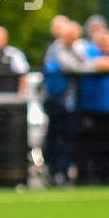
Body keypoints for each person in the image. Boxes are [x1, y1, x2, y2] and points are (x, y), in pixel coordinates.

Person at [76, 31, 109, 185]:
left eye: (108, 43)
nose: (106, 45)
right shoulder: (89, 51)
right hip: (92, 108)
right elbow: (95, 64)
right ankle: (92, 177)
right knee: (93, 145)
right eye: (103, 43)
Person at [43, 20, 89, 186]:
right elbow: (73, 67)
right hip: (57, 102)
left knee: (69, 138)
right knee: (57, 138)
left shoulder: (79, 47)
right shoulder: (57, 48)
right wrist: (92, 66)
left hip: (72, 103)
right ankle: (55, 172)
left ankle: (64, 171)